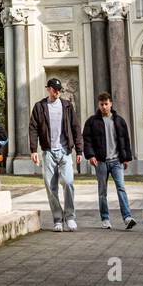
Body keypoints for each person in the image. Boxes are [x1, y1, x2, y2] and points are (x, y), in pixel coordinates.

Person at [28, 77, 83, 231]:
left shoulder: (67, 106)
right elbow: (33, 128)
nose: (57, 92)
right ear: (49, 89)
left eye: (59, 90)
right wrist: (33, 150)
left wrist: (79, 150)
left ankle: (70, 217)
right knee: (51, 187)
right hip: (48, 152)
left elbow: (75, 127)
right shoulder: (39, 107)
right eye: (55, 89)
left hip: (65, 151)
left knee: (68, 182)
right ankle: (58, 219)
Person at [82, 92, 137, 230]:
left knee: (121, 188)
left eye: (106, 104)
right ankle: (105, 219)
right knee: (102, 191)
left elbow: (125, 140)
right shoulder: (92, 122)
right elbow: (87, 140)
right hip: (101, 162)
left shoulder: (119, 121)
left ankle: (127, 217)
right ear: (98, 105)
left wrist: (125, 158)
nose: (104, 107)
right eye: (101, 104)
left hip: (117, 161)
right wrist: (91, 156)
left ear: (111, 104)